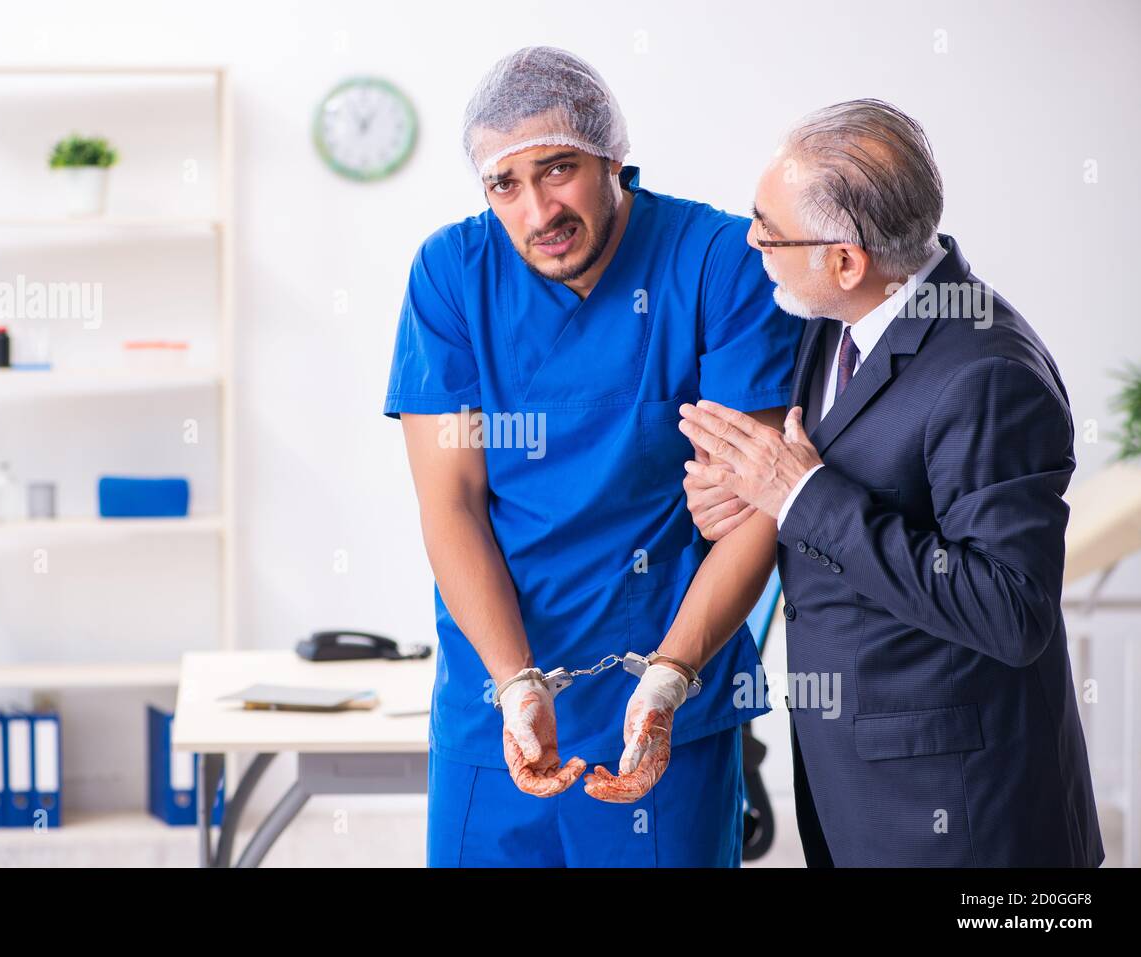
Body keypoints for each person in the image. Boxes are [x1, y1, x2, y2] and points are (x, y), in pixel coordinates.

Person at [383, 46, 802, 866]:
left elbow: (760, 503)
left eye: (559, 169)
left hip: (667, 701)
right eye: (505, 184)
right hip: (495, 701)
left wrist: (671, 676)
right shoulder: (451, 274)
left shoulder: (718, 263)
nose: (538, 210)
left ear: (614, 155)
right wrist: (512, 683)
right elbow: (452, 503)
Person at [680, 99, 1104, 866]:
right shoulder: (832, 317)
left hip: (965, 816)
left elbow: (1011, 610)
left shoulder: (988, 374)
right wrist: (756, 493)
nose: (752, 243)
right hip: (858, 791)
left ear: (846, 259)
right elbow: (839, 482)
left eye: (769, 231)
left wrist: (804, 497)